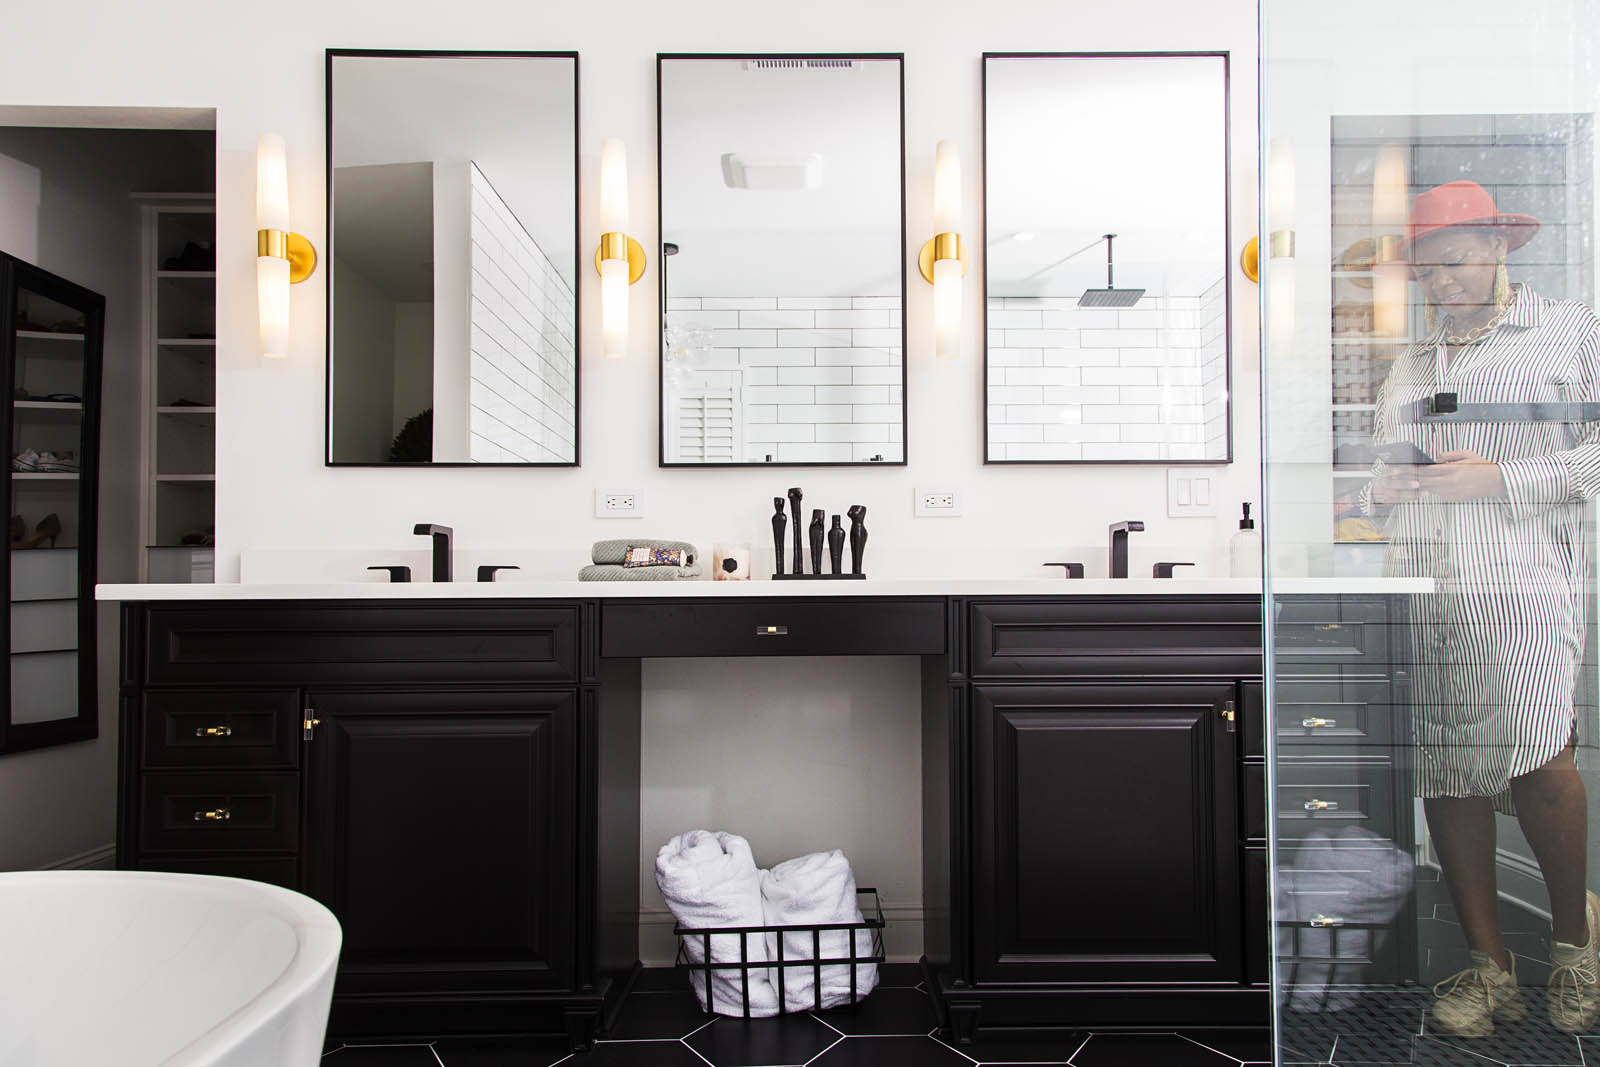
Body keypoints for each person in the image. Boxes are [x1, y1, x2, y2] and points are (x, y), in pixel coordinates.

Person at [1366, 180, 1600, 1038]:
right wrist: (1385, 489)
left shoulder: (1571, 333)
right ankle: (1488, 966)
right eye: (1428, 271)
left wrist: (1503, 478)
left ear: (1500, 248)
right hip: (1427, 586)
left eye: (1456, 262)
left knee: (1541, 758)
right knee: (1447, 768)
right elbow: (1379, 477)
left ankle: (1575, 947)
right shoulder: (1412, 365)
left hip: (1526, 580)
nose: (1442, 283)